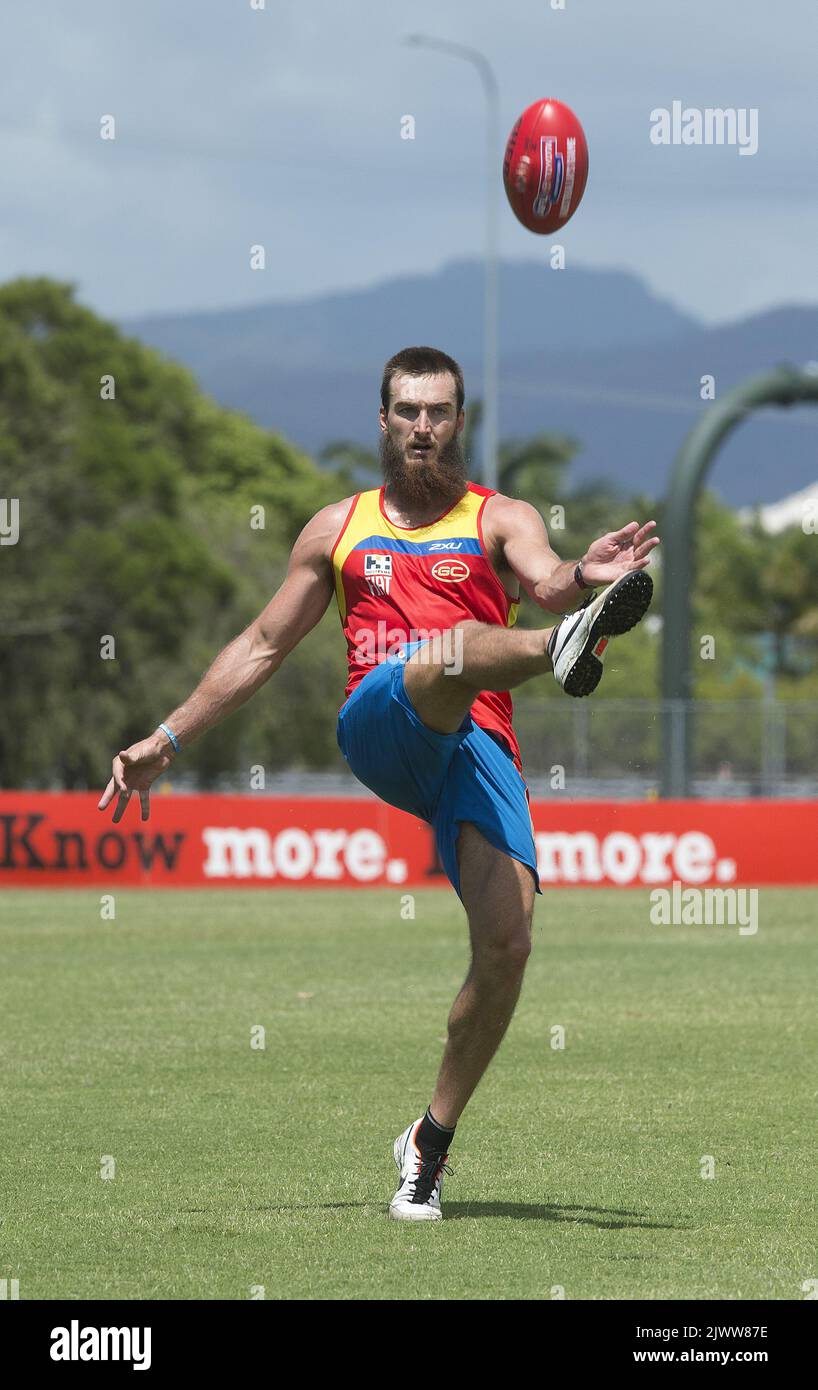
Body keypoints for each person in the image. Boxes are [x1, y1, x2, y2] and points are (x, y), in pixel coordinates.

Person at [99, 346, 659, 1221]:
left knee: (508, 948)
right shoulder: (338, 527)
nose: (423, 428)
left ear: (460, 422)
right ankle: (564, 650)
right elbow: (262, 645)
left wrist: (584, 577)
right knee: (449, 652)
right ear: (384, 422)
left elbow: (547, 579)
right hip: (382, 722)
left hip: (479, 748)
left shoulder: (499, 517)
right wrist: (168, 737)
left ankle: (427, 1144)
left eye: (439, 412)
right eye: (408, 412)